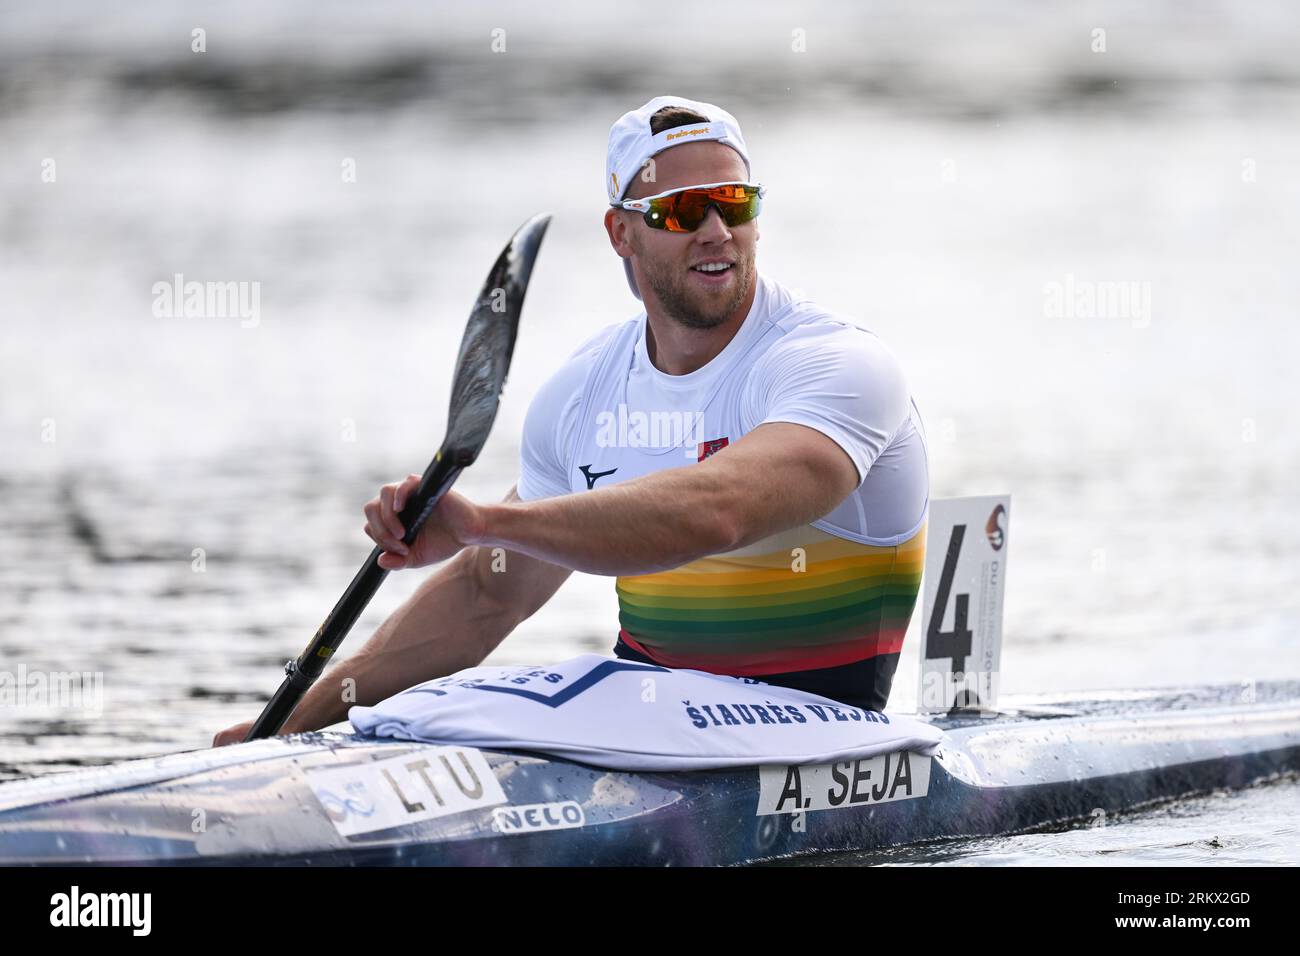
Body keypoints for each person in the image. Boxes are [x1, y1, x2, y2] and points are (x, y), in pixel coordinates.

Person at [214, 95, 928, 746]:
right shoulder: (583, 392)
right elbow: (487, 592)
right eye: (682, 211)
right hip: (652, 724)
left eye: (735, 204)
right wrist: (288, 740)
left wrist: (484, 522)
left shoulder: (838, 366)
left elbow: (720, 511)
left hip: (819, 729)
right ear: (621, 233)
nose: (716, 231)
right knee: (409, 722)